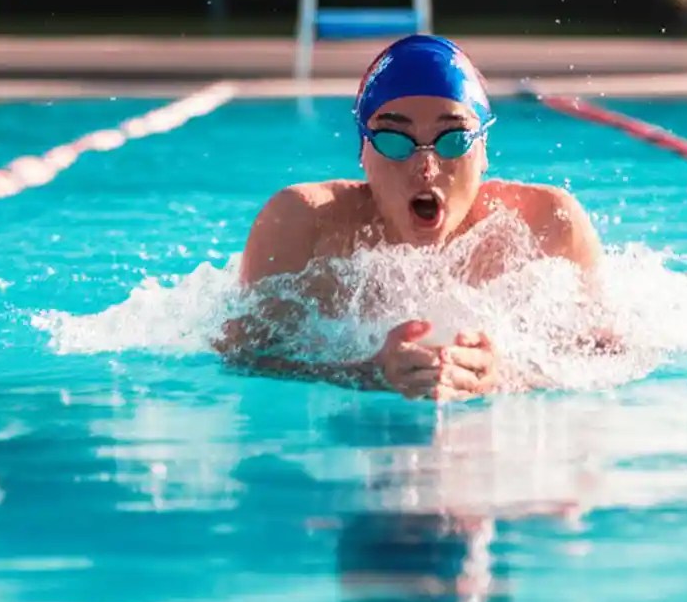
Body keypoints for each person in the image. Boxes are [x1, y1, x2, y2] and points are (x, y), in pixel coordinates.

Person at [214, 34, 607, 401]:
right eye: (393, 139)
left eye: (453, 138)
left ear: (484, 150)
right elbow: (241, 358)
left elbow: (614, 354)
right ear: (363, 153)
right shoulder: (302, 223)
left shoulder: (547, 226)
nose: (425, 166)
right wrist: (364, 374)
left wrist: (506, 377)